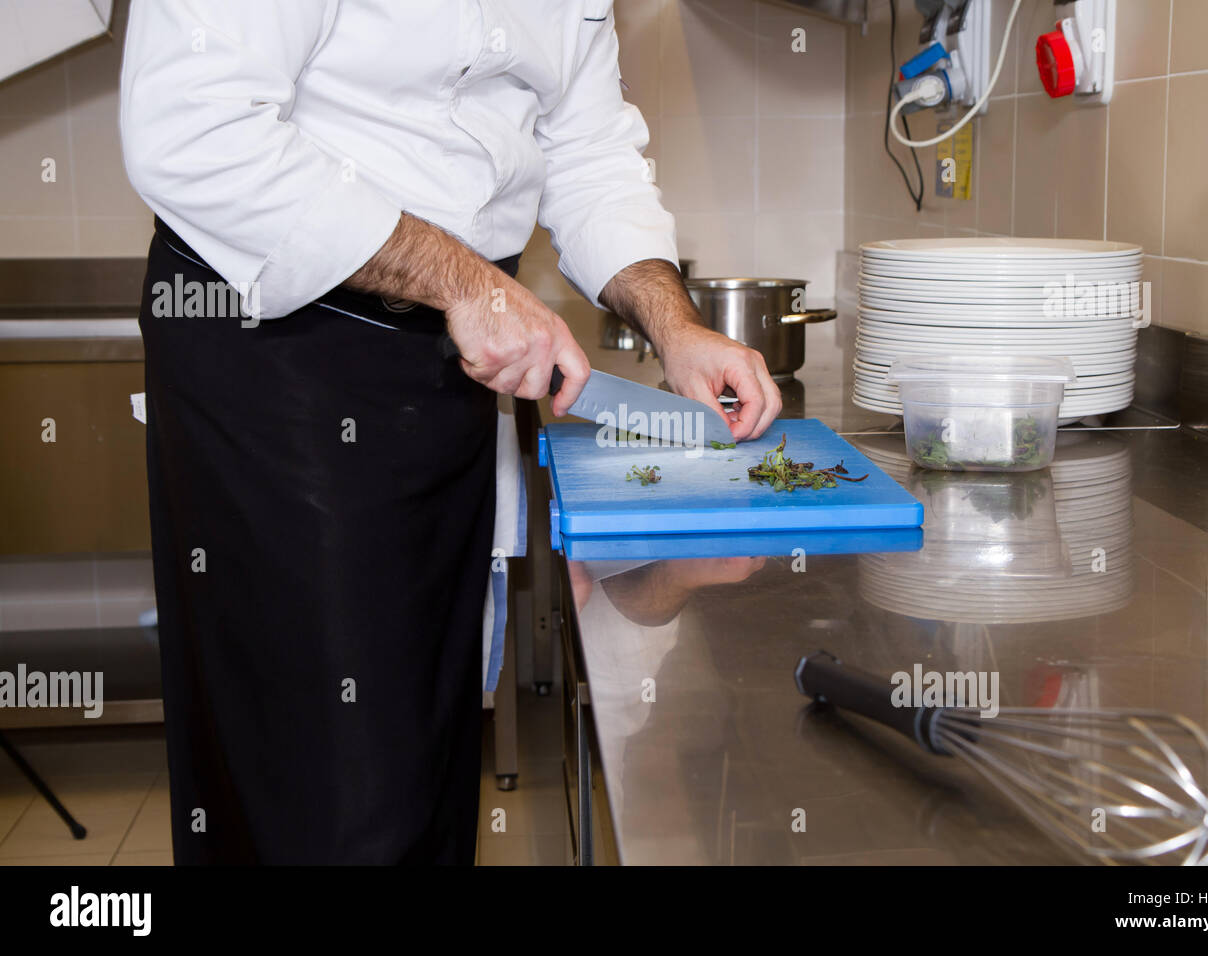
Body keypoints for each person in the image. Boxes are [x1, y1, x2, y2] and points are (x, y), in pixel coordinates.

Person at [119, 0, 781, 864]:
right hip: (279, 357)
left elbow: (588, 150)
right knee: (325, 795)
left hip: (452, 356)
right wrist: (464, 281)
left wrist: (676, 326)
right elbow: (190, 127)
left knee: (422, 764)